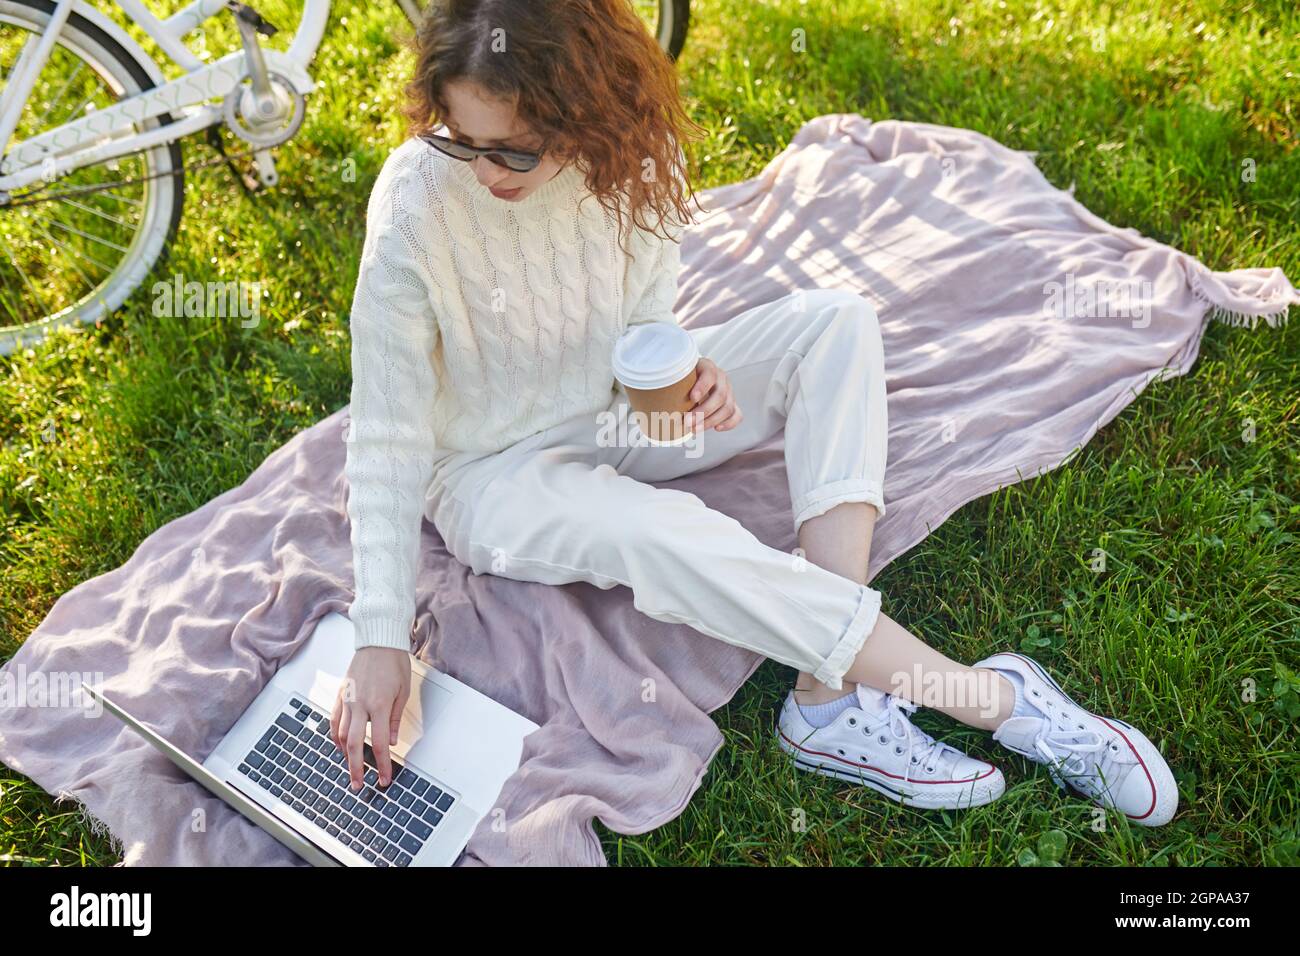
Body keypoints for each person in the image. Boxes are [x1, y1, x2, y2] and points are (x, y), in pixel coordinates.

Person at [332, 0, 1178, 825]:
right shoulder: (417, 203)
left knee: (833, 327)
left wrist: (688, 376)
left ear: (582, 108)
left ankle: (825, 697)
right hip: (491, 474)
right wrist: (378, 635)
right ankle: (992, 698)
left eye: (514, 151)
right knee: (662, 535)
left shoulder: (635, 153)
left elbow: (644, 327)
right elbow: (385, 432)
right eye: (459, 139)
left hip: (617, 416)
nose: (484, 172)